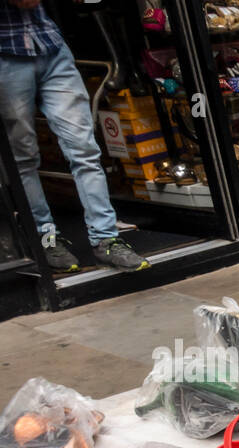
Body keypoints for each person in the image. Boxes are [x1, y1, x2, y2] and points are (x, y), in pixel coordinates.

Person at [0, 0, 148, 272]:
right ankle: (46, 238)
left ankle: (106, 239)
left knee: (84, 149)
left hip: (51, 47)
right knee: (23, 156)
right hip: (6, 55)